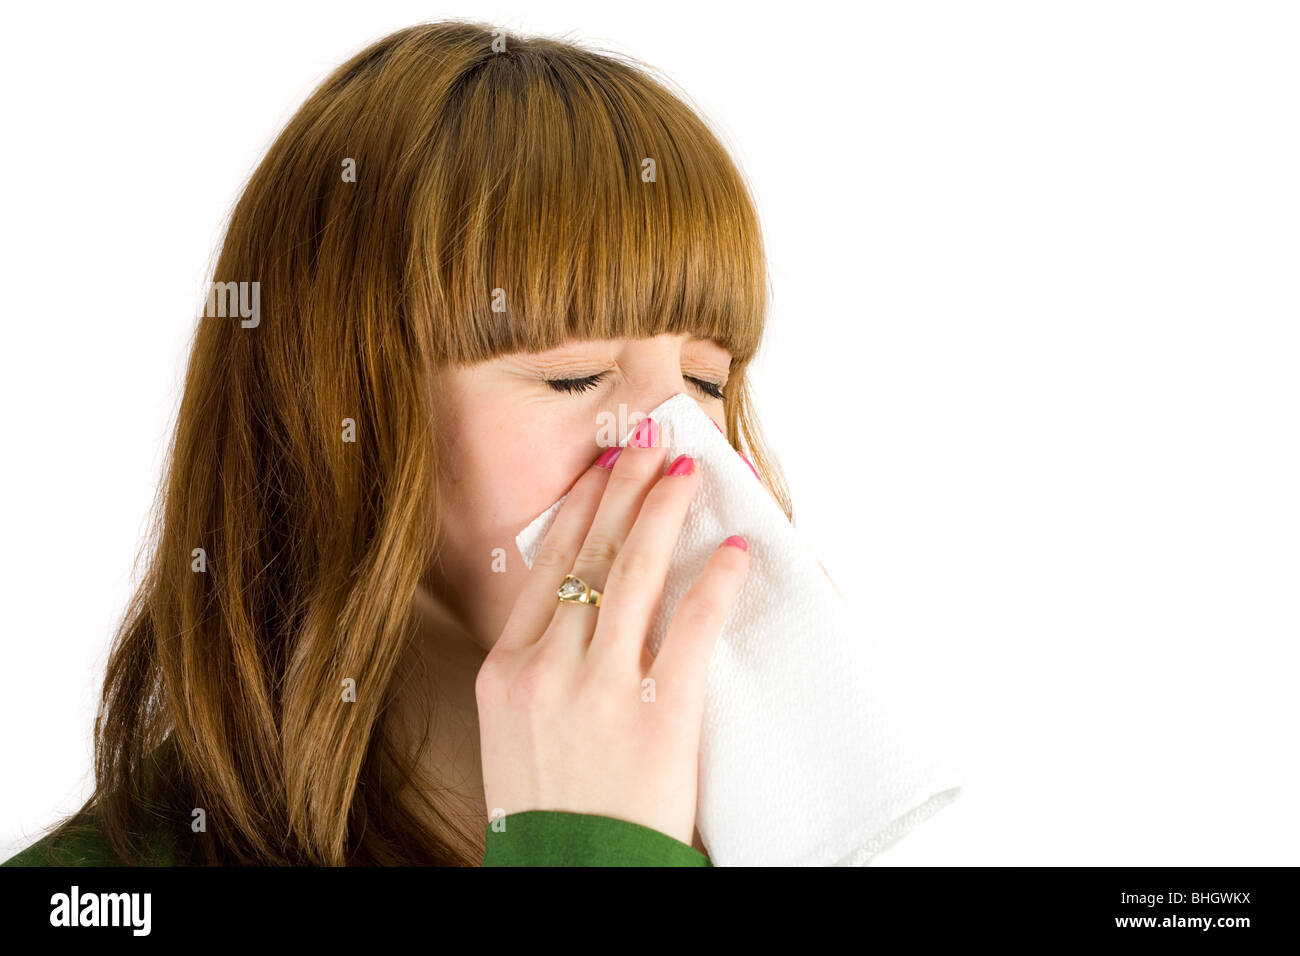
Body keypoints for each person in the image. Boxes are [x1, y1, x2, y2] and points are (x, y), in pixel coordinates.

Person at [3, 18, 794, 867]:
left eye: (708, 382)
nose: (677, 448)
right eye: (573, 377)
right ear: (337, 417)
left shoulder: (779, 817)